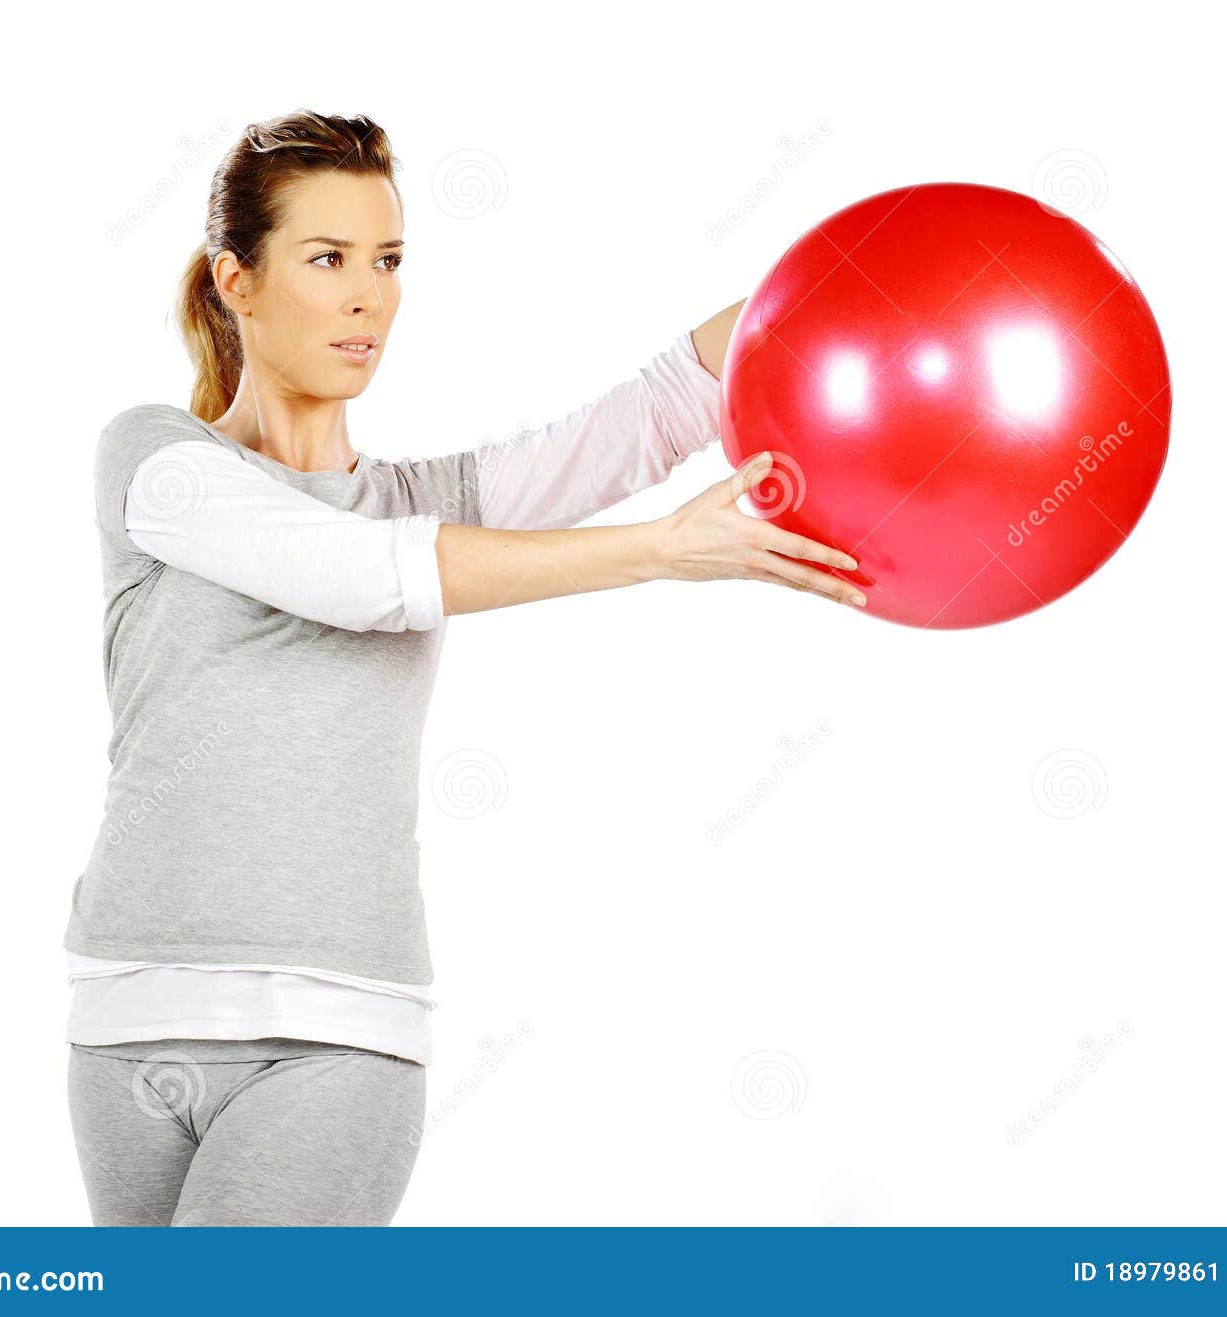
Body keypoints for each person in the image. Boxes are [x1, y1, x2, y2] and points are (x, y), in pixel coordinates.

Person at [63, 109, 863, 1228]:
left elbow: (653, 414)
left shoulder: (422, 503)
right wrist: (662, 549)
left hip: (338, 1034)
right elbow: (364, 575)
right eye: (327, 258)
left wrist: (852, 283)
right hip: (129, 1021)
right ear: (236, 280)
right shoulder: (156, 460)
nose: (368, 296)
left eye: (388, 260)